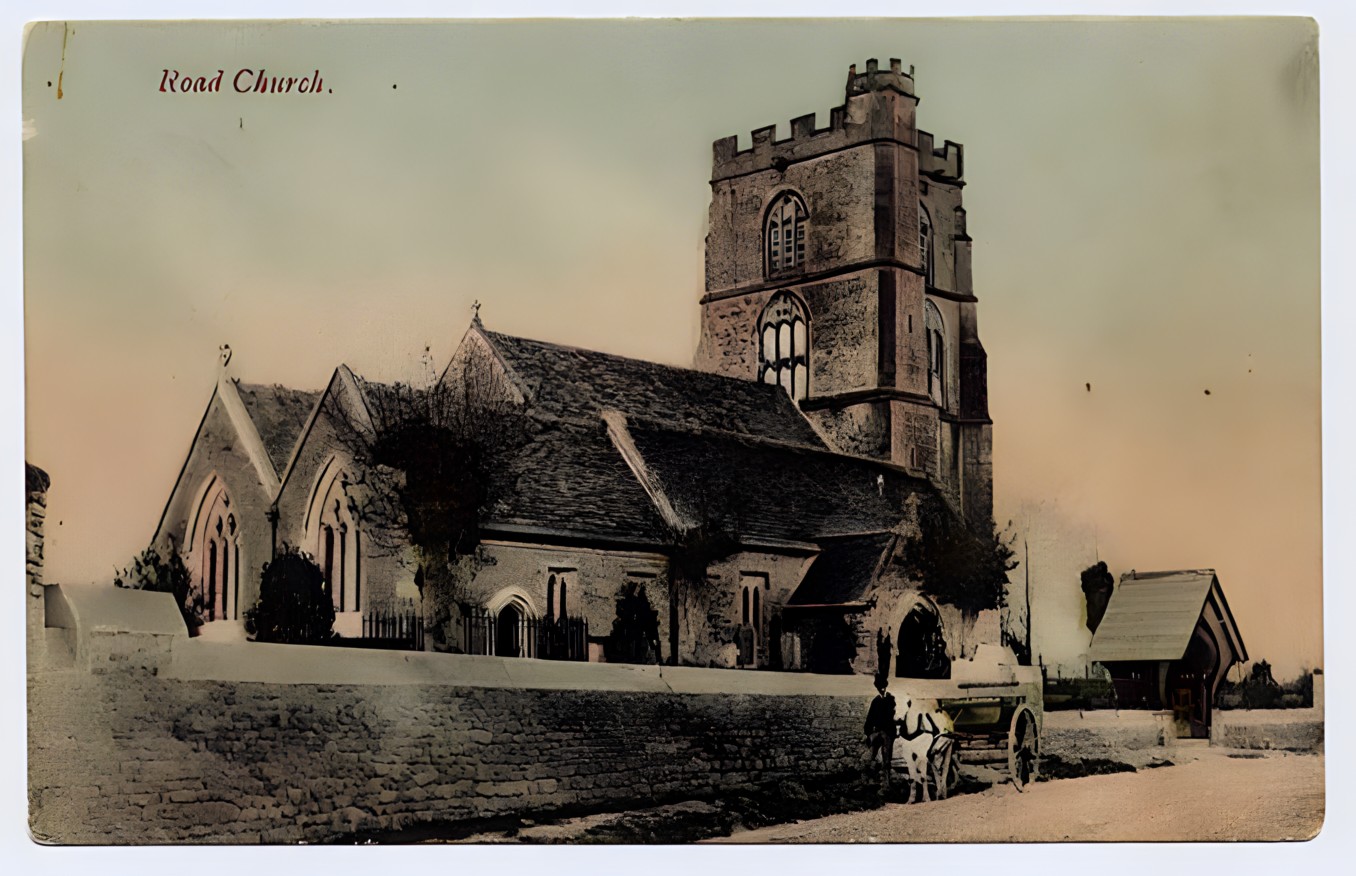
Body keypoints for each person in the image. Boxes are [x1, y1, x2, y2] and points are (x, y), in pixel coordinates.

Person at [863, 673, 897, 788]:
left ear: (885, 687)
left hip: (888, 733)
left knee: (886, 757)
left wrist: (889, 731)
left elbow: (894, 717)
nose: (881, 689)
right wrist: (868, 733)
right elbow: (870, 719)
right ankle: (870, 779)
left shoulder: (891, 700)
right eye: (879, 687)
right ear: (877, 688)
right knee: (871, 755)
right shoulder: (876, 701)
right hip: (878, 732)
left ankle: (886, 783)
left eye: (883, 686)